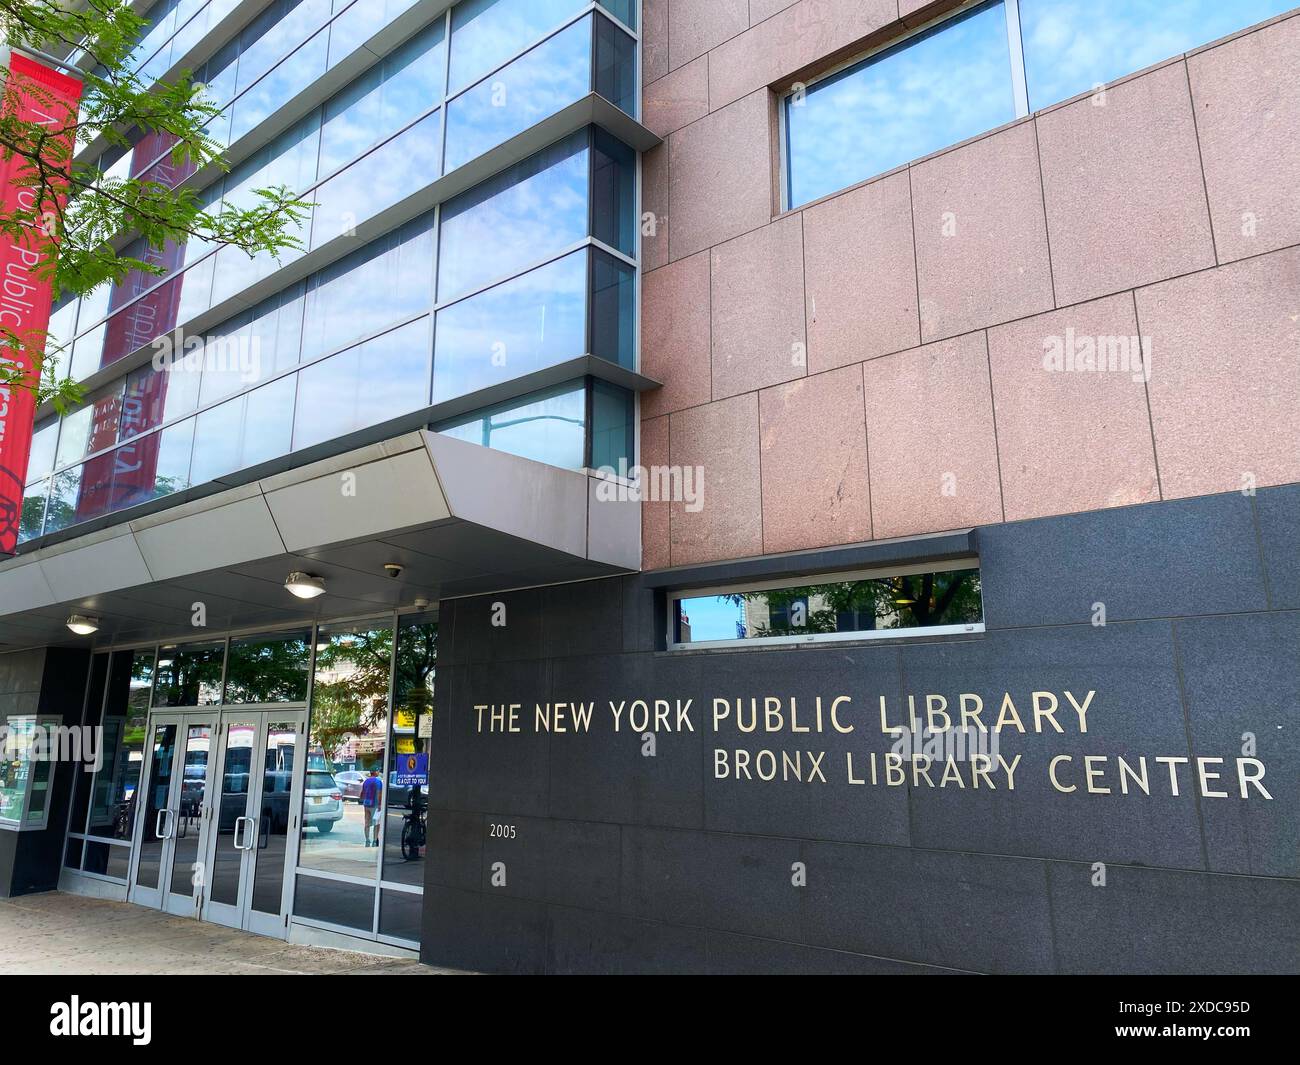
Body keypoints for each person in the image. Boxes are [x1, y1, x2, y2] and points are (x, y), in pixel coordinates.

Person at [359, 767, 383, 847]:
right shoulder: (378, 781)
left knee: (367, 822)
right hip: (375, 804)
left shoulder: (366, 781)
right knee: (377, 823)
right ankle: (375, 841)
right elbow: (379, 793)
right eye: (378, 771)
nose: (378, 772)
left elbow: (362, 794)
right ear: (375, 772)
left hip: (366, 804)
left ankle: (367, 840)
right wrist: (380, 804)